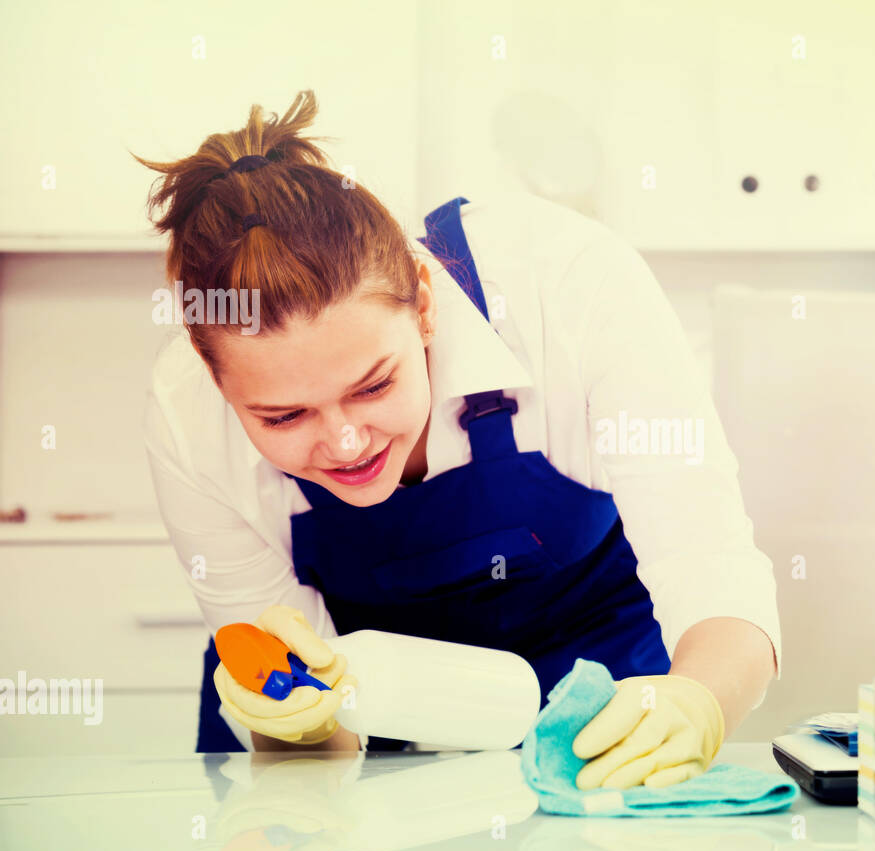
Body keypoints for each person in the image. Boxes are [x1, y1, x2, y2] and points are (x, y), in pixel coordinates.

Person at [137, 90, 781, 789]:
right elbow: (309, 757)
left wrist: (698, 701)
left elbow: (712, 565)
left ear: (423, 299)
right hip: (375, 721)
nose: (347, 442)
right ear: (212, 374)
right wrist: (300, 723)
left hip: (599, 692)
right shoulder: (187, 413)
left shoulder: (570, 286)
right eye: (283, 418)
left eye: (373, 385)